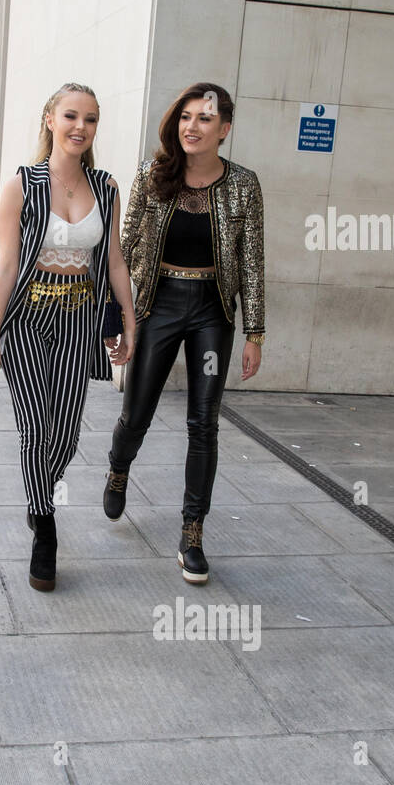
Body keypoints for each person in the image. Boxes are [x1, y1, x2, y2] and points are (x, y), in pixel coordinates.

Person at [102, 81, 265, 585]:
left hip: (213, 313)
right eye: (186, 117)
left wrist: (255, 331)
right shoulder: (153, 178)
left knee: (204, 422)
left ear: (225, 129)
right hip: (160, 306)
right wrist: (118, 318)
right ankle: (118, 466)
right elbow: (123, 251)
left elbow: (252, 260)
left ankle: (192, 532)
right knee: (138, 411)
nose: (192, 127)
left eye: (205, 119)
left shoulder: (244, 184)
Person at [0, 83, 135, 592]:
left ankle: (37, 494)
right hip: (25, 319)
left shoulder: (107, 188)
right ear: (49, 119)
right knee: (35, 426)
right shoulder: (23, 184)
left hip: (76, 320)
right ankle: (44, 528)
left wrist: (128, 320)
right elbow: (5, 265)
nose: (80, 127)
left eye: (90, 119)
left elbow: (113, 260)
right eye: (70, 116)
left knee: (65, 434)